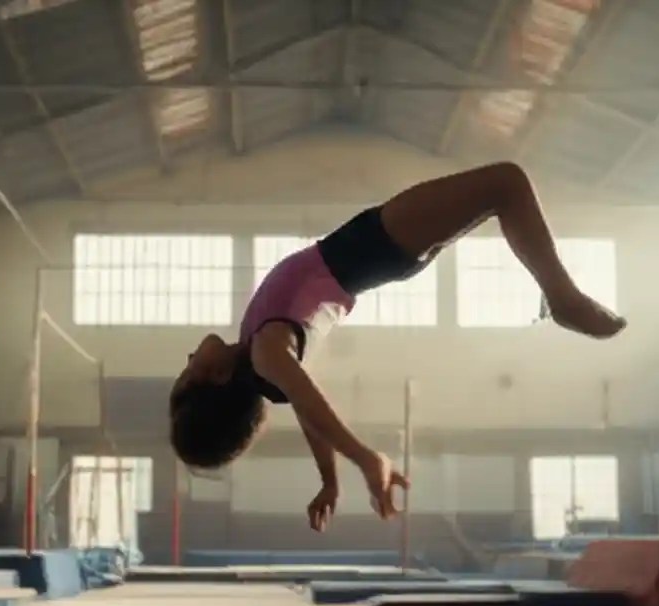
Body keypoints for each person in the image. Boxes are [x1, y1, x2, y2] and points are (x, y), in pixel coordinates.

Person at [168, 162, 626, 532]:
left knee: (498, 195)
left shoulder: (261, 356)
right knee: (505, 183)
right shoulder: (266, 350)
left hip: (376, 251)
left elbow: (305, 412)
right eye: (190, 370)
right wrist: (365, 458)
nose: (189, 357)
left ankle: (558, 295)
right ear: (218, 378)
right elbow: (311, 402)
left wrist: (329, 481)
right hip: (373, 247)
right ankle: (563, 299)